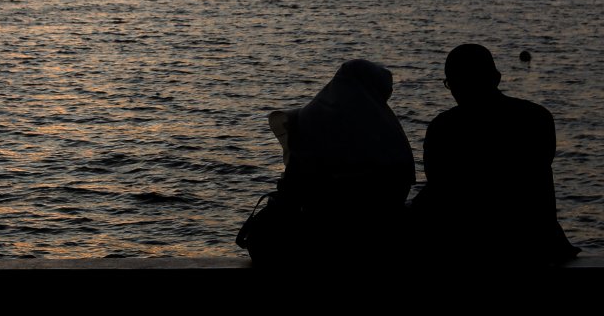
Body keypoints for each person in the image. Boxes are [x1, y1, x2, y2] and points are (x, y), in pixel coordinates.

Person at [413, 43, 579, 265]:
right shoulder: (537, 118)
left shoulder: (444, 127)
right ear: (496, 78)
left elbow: (441, 187)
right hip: (539, 243)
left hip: (470, 245)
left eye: (452, 83)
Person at [248, 59, 415, 264]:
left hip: (322, 236)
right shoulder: (390, 134)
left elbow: (293, 187)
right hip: (378, 237)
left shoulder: (313, 119)